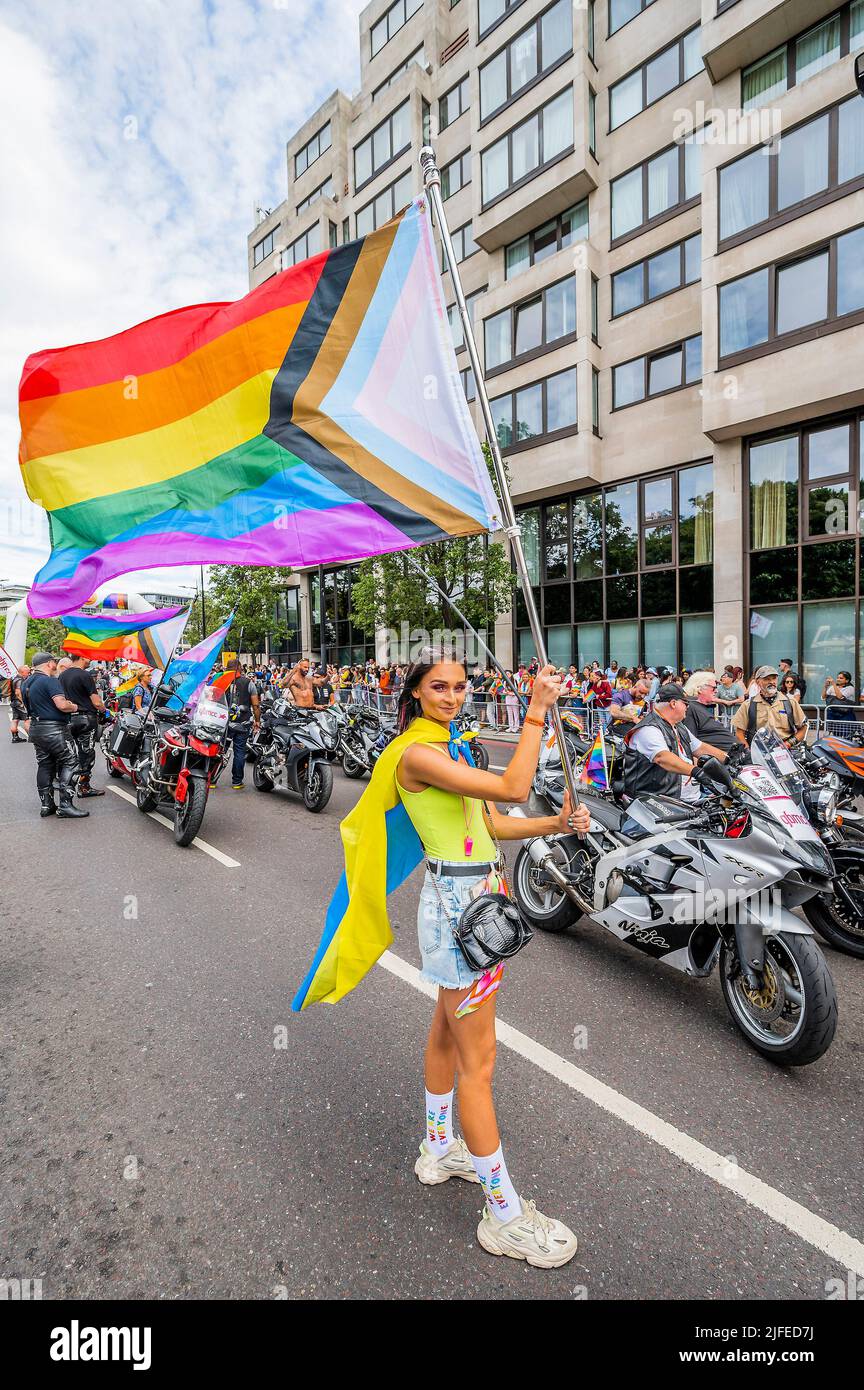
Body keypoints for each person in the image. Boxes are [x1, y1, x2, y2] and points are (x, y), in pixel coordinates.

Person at [394, 650, 590, 1265]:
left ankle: (436, 1148)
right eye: (439, 687)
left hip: (479, 898)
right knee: (479, 1064)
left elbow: (494, 821)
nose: (453, 696)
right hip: (459, 909)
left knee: (447, 1034)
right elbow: (512, 785)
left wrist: (553, 823)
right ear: (417, 693)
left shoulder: (452, 744)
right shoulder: (417, 753)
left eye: (460, 686)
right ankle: (504, 1217)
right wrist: (535, 713)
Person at [624, 682, 728, 802]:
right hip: (658, 803)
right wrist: (696, 772)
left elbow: (700, 747)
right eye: (685, 703)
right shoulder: (649, 729)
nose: (688, 707)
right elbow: (662, 757)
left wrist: (728, 758)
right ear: (673, 703)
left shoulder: (678, 726)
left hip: (690, 801)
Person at [20, 653, 89, 818]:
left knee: (45, 764)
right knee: (72, 763)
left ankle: (47, 805)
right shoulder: (50, 681)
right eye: (54, 662)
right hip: (55, 729)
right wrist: (75, 707)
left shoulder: (26, 682)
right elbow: (61, 705)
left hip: (37, 728)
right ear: (49, 663)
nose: (55, 665)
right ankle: (65, 805)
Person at [59, 653, 106, 796]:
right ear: (81, 658)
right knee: (86, 753)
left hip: (67, 719)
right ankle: (84, 787)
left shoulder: (62, 675)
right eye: (88, 657)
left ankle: (66, 786)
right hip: (85, 719)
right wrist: (105, 710)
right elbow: (97, 702)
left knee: (69, 754)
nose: (90, 660)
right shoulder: (85, 675)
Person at [733, 665, 807, 747]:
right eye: (767, 679)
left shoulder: (790, 702)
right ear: (757, 682)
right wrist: (748, 751)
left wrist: (789, 744)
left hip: (785, 751)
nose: (772, 682)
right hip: (758, 750)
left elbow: (803, 728)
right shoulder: (748, 705)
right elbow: (739, 733)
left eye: (774, 678)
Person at [224, 660, 260, 790]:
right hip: (243, 723)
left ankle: (211, 779)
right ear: (239, 668)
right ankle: (237, 781)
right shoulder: (249, 683)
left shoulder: (222, 681)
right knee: (239, 752)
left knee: (220, 750)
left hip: (225, 723)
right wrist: (257, 721)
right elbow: (255, 705)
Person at [682, 672, 737, 755]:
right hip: (726, 760)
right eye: (713, 688)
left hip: (735, 755)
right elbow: (690, 744)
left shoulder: (698, 707)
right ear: (699, 689)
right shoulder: (690, 708)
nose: (716, 690)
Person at [9, 663, 30, 742]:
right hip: (19, 703)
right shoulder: (20, 680)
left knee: (15, 719)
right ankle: (31, 737)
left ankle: (15, 737)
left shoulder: (14, 678)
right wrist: (23, 702)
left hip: (14, 702)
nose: (28, 674)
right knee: (27, 719)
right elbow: (18, 692)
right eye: (27, 672)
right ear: (22, 672)